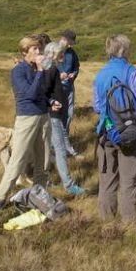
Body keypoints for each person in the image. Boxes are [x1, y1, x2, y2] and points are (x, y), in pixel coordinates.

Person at [0, 36, 60, 209]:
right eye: (34, 50)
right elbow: (29, 95)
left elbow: (41, 93)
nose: (39, 52)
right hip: (27, 119)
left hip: (43, 117)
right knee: (18, 160)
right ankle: (0, 198)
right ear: (24, 52)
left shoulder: (38, 69)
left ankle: (38, 196)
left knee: (43, 161)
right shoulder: (18, 71)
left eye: (39, 49)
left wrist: (51, 101)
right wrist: (39, 71)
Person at [93, 34, 136, 222]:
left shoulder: (100, 74)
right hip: (129, 133)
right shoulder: (131, 71)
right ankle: (129, 223)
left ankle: (106, 221)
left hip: (106, 131)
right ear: (124, 50)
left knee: (107, 178)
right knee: (129, 179)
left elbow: (97, 106)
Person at [42, 40, 86, 195]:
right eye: (61, 53)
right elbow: (42, 92)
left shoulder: (49, 69)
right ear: (55, 54)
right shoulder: (51, 70)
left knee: (46, 149)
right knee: (60, 150)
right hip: (53, 116)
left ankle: (43, 182)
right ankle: (69, 185)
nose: (64, 55)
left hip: (51, 115)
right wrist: (51, 103)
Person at [58, 30, 81, 157]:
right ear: (64, 40)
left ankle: (65, 141)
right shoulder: (53, 51)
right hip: (57, 89)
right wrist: (58, 76)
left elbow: (77, 66)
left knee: (69, 114)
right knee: (58, 117)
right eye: (70, 43)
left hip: (69, 88)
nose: (71, 45)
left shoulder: (72, 53)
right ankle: (58, 145)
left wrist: (73, 74)